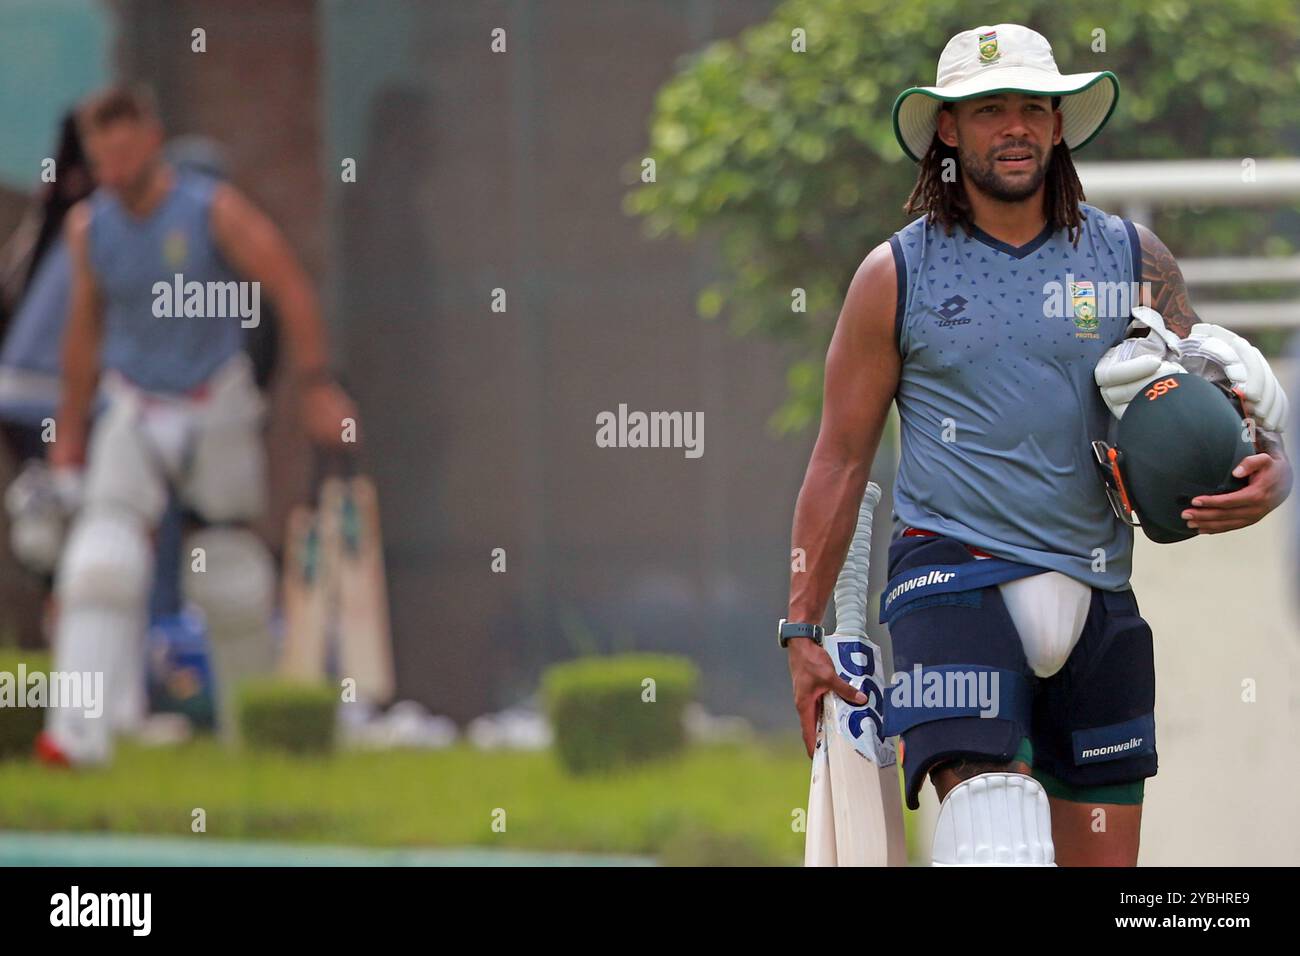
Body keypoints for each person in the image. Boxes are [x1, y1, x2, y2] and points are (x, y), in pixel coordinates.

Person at [782, 24, 1292, 865]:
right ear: (948, 130)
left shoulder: (1134, 258)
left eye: (1031, 108)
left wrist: (1266, 475)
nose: (1012, 127)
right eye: (988, 110)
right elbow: (839, 459)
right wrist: (799, 627)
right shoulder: (894, 275)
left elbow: (1221, 408)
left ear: (1058, 125)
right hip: (953, 581)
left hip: (1100, 593)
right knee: (996, 844)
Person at [38, 86, 357, 766]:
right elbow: (82, 332)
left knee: (229, 576)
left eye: (122, 154)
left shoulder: (213, 211)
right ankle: (76, 736)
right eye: (100, 159)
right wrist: (69, 432)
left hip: (214, 400)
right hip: (132, 404)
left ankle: (256, 738)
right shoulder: (90, 227)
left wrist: (316, 385)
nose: (113, 172)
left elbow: (289, 286)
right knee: (100, 565)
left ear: (151, 139)